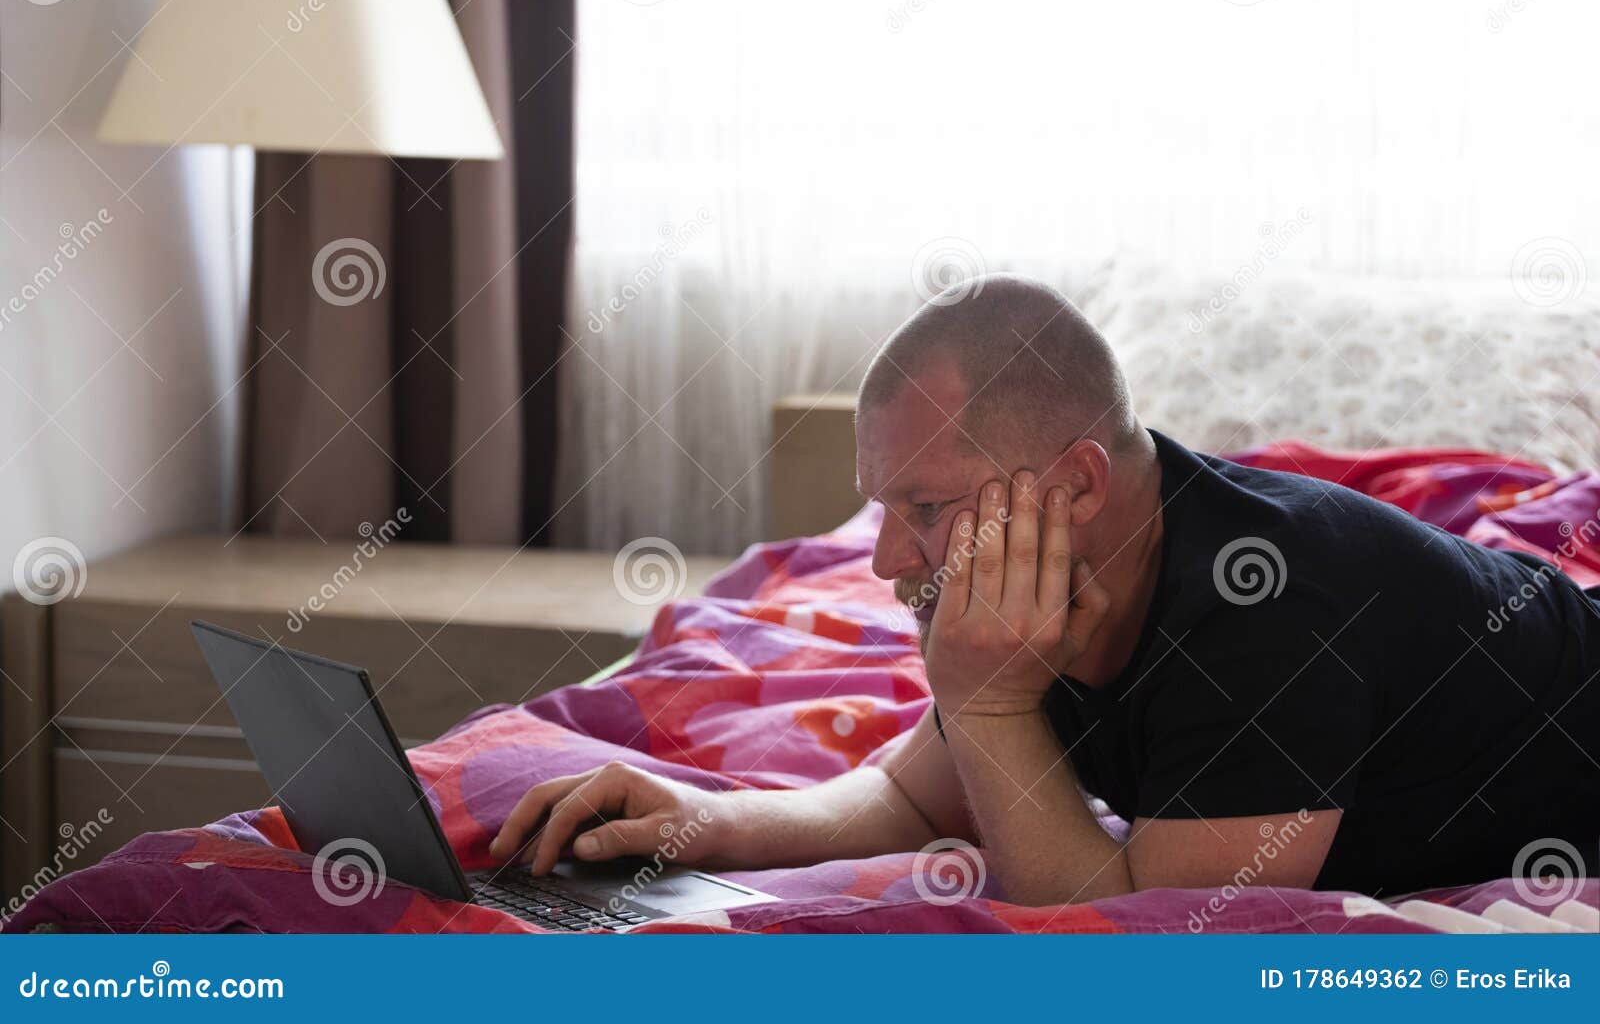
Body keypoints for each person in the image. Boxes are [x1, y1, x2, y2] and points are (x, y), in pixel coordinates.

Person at [491, 274, 1600, 902]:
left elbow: (1134, 942)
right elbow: (914, 799)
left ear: (1074, 481)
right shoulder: (1052, 574)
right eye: (882, 506)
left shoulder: (1269, 613)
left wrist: (990, 705)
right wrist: (704, 818)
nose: (885, 559)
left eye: (924, 506)